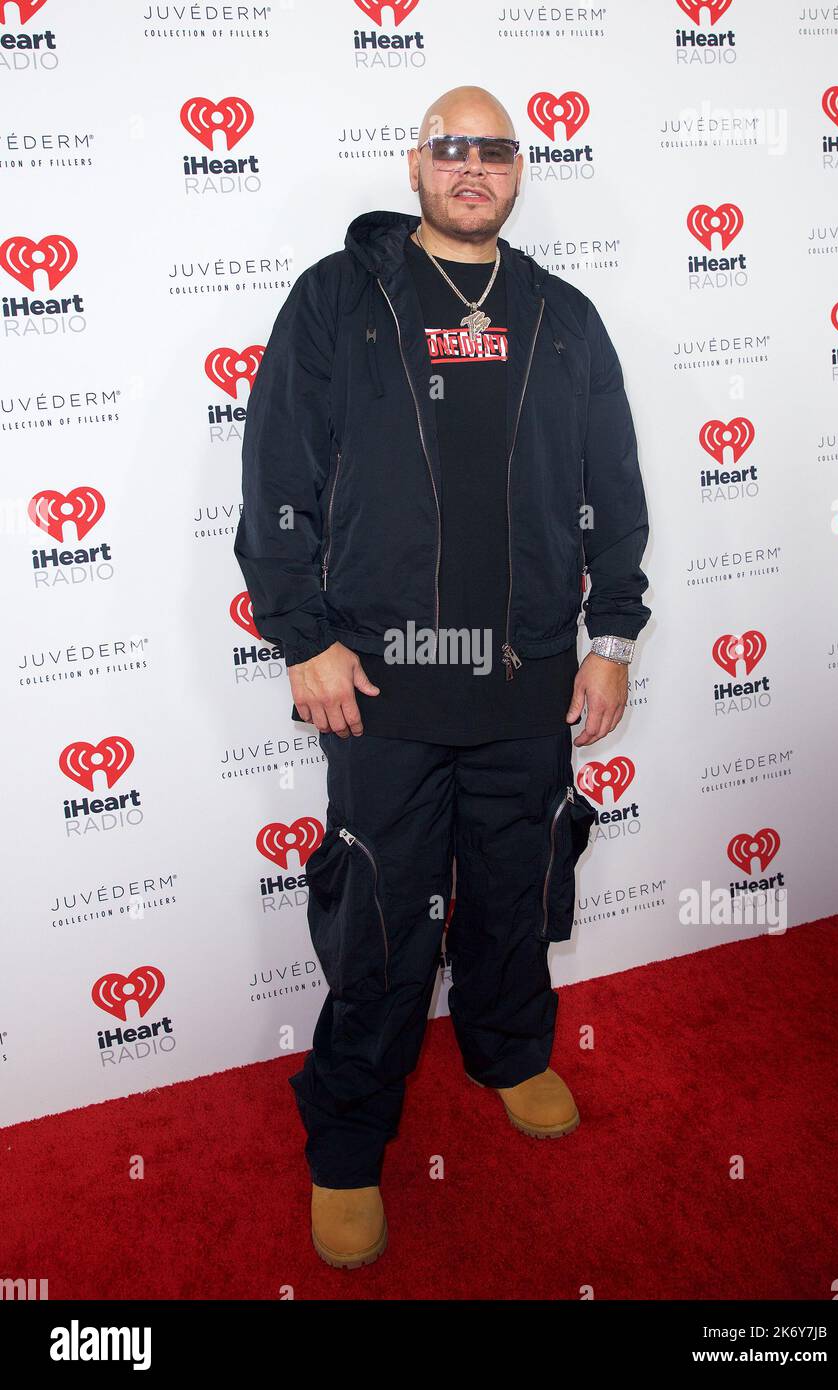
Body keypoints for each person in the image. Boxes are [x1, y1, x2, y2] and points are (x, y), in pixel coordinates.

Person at [234, 85, 651, 1269]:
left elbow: (611, 485)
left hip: (526, 678)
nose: (474, 166)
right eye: (450, 147)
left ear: (520, 170)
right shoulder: (338, 300)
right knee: (381, 913)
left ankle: (510, 1046)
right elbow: (278, 472)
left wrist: (611, 635)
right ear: (415, 164)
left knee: (517, 884)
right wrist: (300, 633)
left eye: (496, 150)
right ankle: (351, 1138)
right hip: (384, 684)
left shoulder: (562, 316)